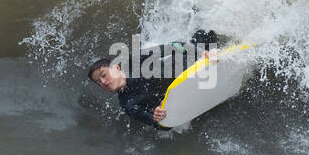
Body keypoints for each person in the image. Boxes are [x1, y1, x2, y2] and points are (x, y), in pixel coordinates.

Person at [88, 31, 222, 128]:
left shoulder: (134, 60)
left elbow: (174, 46)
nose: (103, 82)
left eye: (103, 75)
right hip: (187, 90)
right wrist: (160, 116)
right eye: (98, 82)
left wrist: (201, 53)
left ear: (115, 68)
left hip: (191, 62)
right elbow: (161, 126)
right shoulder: (127, 104)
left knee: (207, 32)